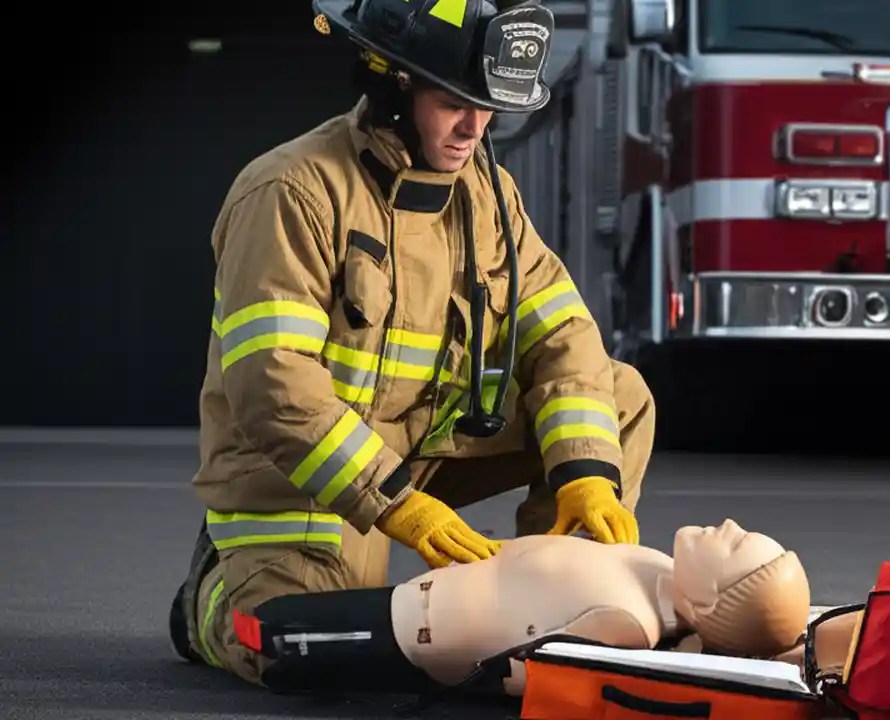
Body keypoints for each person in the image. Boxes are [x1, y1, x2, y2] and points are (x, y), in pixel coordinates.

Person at [168, 0, 656, 684]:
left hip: (425, 448)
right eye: (454, 100)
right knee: (305, 650)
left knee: (619, 393)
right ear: (392, 82)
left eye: (487, 105)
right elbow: (273, 387)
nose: (474, 126)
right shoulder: (292, 191)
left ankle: (550, 604)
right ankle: (209, 600)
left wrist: (587, 474)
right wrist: (396, 502)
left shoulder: (487, 192)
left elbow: (562, 332)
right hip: (307, 475)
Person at [225, 519, 815, 695]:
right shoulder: (659, 569)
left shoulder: (628, 624)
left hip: (422, 631)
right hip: (428, 595)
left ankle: (215, 625)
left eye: (735, 544)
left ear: (709, 598)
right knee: (276, 625)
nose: (731, 525)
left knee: (275, 635)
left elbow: (531, 677)